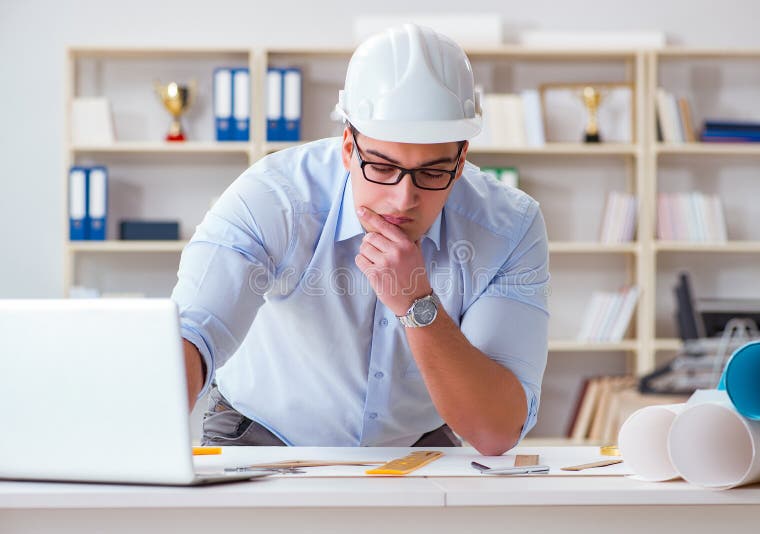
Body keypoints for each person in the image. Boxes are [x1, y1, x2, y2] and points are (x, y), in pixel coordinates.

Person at [172, 23, 549, 456]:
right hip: (261, 430)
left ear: (461, 158)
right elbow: (192, 333)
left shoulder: (509, 227)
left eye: (431, 173)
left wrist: (416, 303)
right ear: (349, 146)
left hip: (418, 444)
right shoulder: (273, 198)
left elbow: (496, 430)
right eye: (383, 168)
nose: (403, 199)